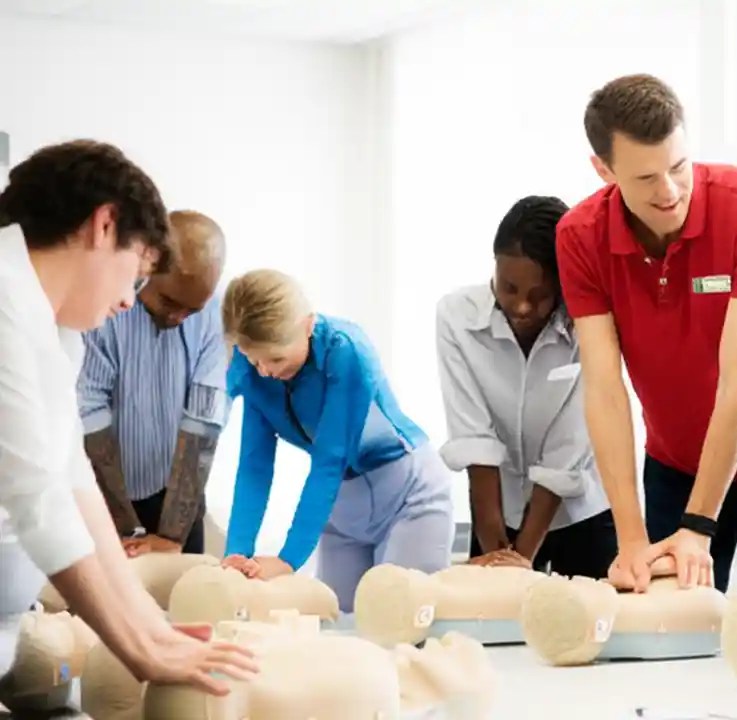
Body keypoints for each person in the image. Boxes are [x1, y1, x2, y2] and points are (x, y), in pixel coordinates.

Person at [0, 139, 254, 695]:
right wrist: (138, 650)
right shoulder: (3, 300)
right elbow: (36, 498)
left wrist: (151, 627)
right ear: (104, 226)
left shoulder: (54, 331)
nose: (127, 301)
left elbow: (72, 480)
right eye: (135, 275)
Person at [556, 74, 737, 594]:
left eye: (679, 167)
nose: (670, 192)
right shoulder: (580, 237)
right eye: (646, 178)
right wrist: (630, 539)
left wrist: (698, 526)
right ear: (603, 170)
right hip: (674, 460)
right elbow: (605, 390)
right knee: (673, 626)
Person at [220, 269, 454, 611]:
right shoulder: (251, 369)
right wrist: (236, 555)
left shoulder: (347, 351)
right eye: (254, 358)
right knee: (334, 624)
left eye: (276, 358)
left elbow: (329, 459)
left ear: (308, 324)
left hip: (408, 495)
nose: (264, 371)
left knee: (395, 619)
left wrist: (288, 560)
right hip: (342, 506)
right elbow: (254, 465)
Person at [437, 195, 616, 578]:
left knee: (590, 630)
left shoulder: (591, 325)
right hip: (495, 512)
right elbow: (473, 435)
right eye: (509, 287)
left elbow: (566, 449)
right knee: (492, 622)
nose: (521, 306)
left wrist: (522, 559)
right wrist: (499, 556)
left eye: (539, 295)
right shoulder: (456, 318)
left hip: (582, 511)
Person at [78, 210, 229, 557]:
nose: (179, 318)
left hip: (177, 496)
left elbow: (202, 424)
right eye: (170, 303)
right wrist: (127, 530)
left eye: (192, 310)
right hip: (102, 495)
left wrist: (172, 537)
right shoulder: (106, 305)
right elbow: (89, 416)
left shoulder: (213, 313)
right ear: (148, 265)